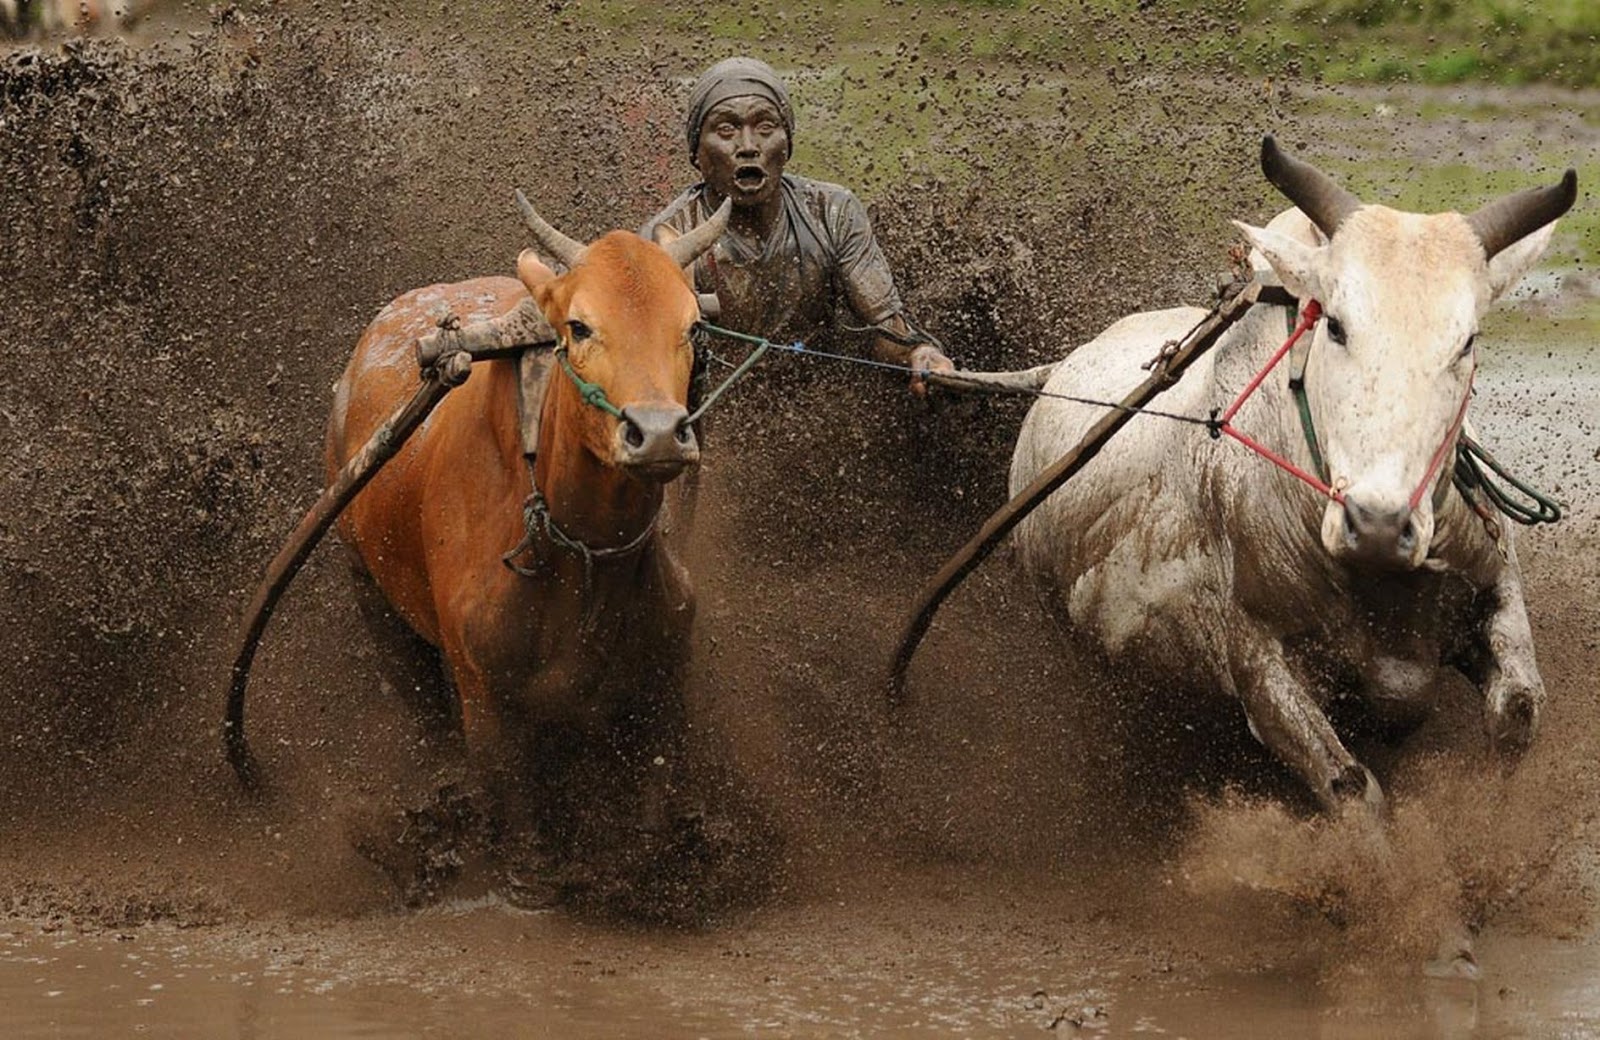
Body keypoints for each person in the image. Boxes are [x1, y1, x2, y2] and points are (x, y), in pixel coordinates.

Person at [643, 56, 956, 396]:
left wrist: (919, 352)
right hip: (717, 408)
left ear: (787, 144)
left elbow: (887, 330)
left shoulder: (832, 212)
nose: (748, 146)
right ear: (697, 153)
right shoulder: (666, 238)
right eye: (725, 130)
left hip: (822, 399)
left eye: (765, 128)